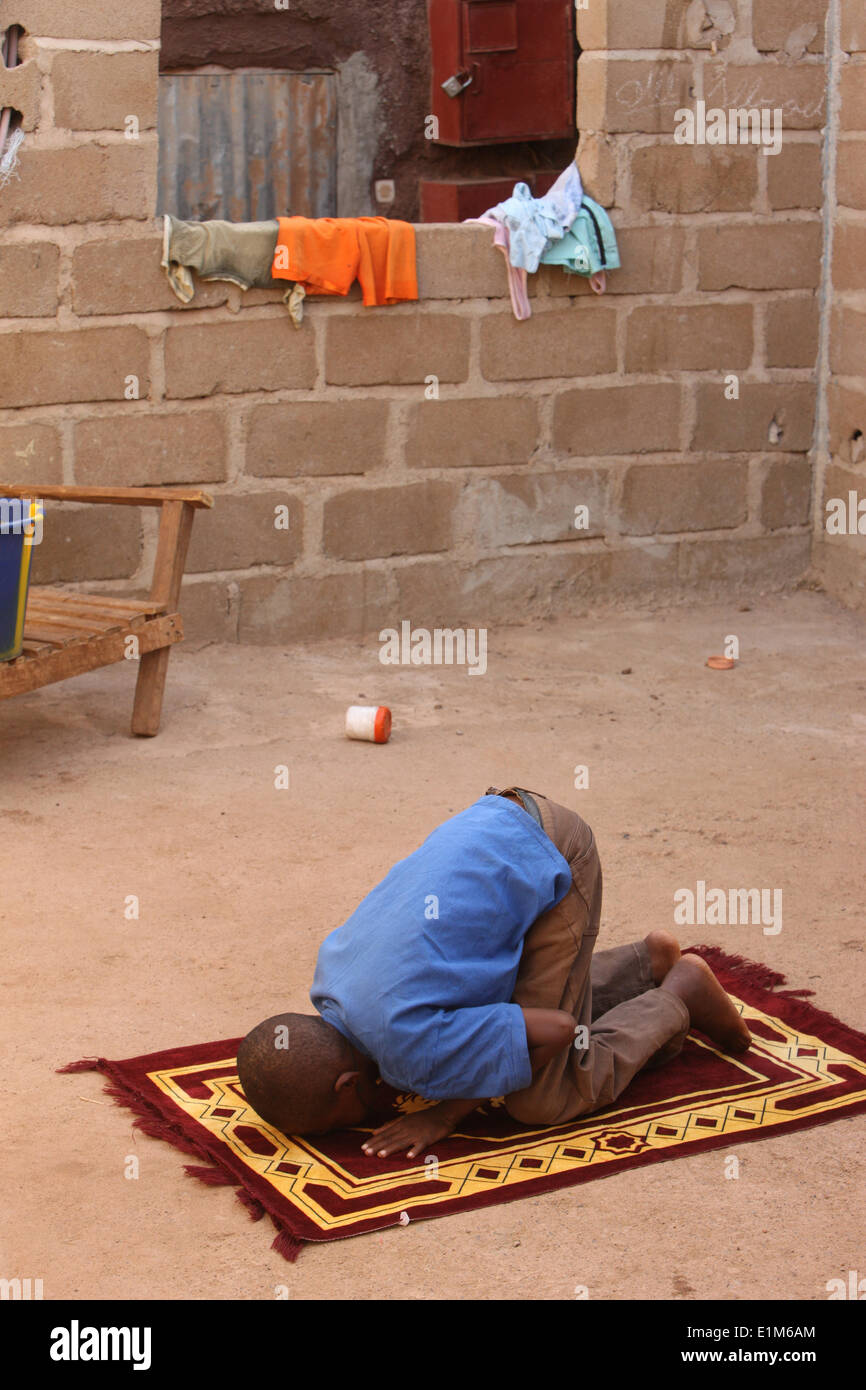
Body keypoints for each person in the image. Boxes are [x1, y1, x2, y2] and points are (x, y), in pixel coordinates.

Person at [237, 787, 751, 1159]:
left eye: (338, 1126)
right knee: (500, 1019)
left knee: (543, 1096)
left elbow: (558, 1029)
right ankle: (648, 961)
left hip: (557, 857)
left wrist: (445, 1113)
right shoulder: (330, 987)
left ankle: (679, 989)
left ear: (348, 1085)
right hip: (497, 822)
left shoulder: (412, 1052)